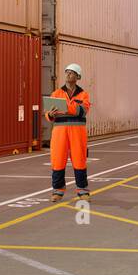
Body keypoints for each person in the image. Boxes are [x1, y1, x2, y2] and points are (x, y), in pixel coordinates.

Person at [46, 63, 92, 202]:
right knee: (58, 160)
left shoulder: (84, 94)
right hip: (59, 132)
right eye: (66, 72)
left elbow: (82, 111)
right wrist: (51, 114)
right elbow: (48, 115)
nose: (68, 74)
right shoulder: (56, 93)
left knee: (79, 160)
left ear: (77, 77)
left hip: (77, 133)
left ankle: (82, 190)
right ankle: (58, 191)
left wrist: (66, 108)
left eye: (71, 73)